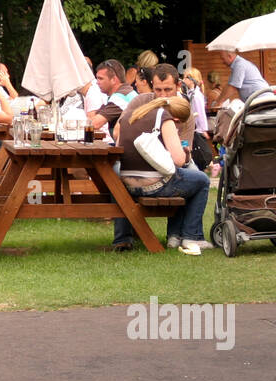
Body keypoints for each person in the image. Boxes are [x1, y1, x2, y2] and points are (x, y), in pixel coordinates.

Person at [111, 93, 211, 255]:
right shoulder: (165, 118)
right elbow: (178, 161)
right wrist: (185, 153)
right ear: (177, 120)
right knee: (201, 180)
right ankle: (192, 237)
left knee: (186, 180)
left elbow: (120, 147)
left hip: (127, 186)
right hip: (154, 185)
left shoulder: (130, 115)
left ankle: (172, 236)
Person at [87, 59, 135, 140]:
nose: (97, 82)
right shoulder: (126, 92)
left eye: (100, 79)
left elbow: (94, 124)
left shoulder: (120, 98)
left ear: (114, 80)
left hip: (130, 149)